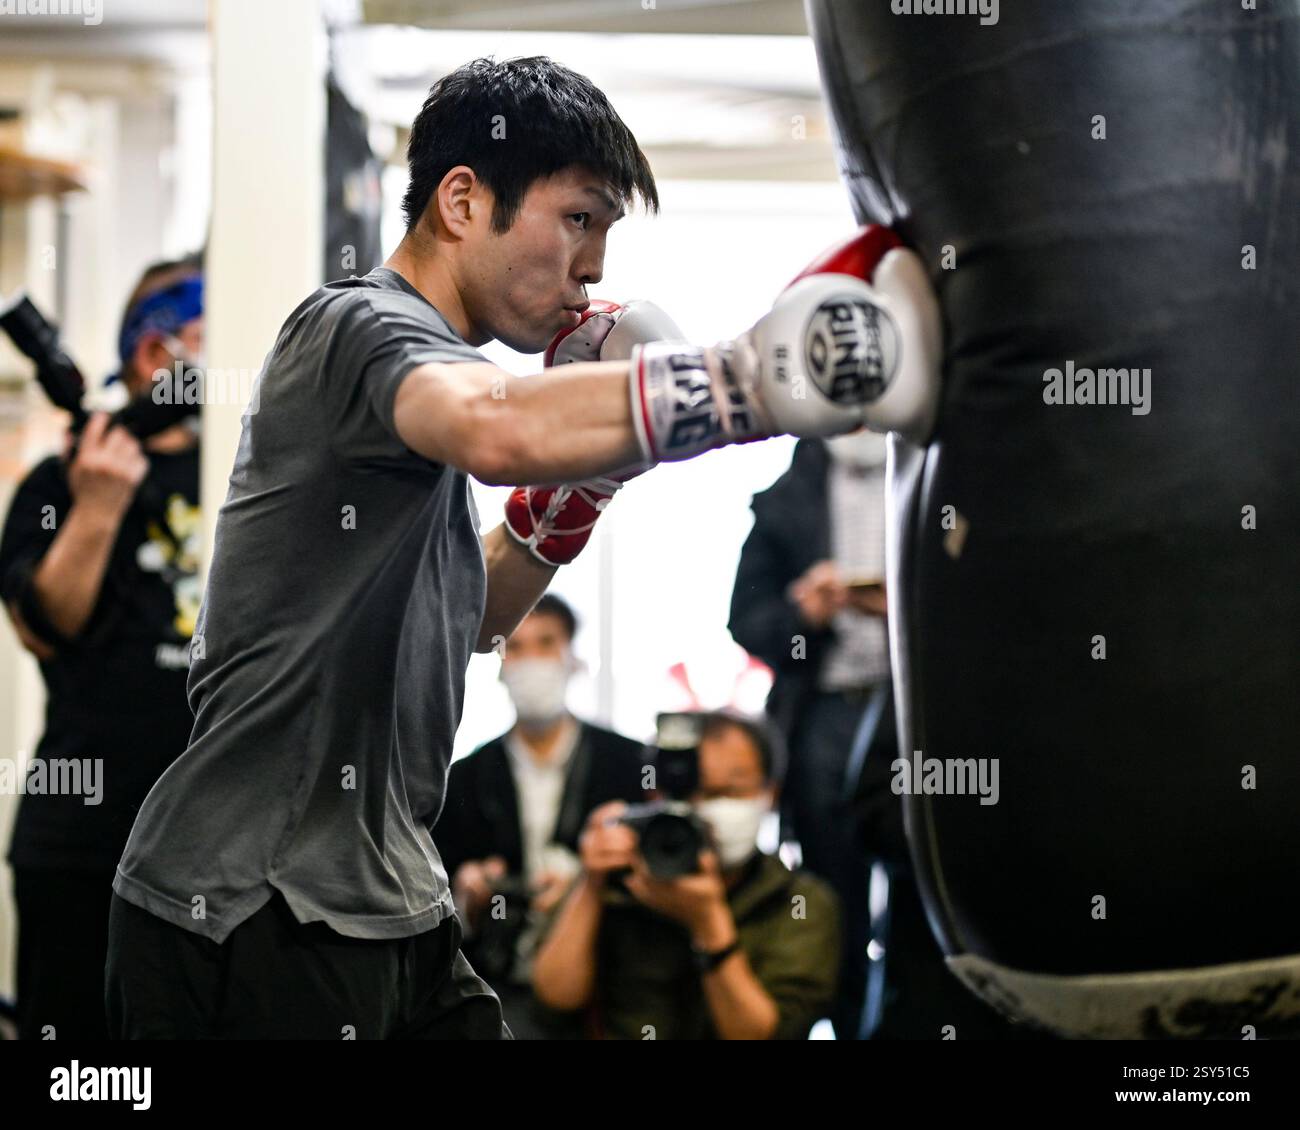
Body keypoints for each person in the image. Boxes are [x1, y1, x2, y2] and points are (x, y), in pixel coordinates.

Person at [104, 55, 936, 1040]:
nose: (592, 267)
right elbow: (493, 430)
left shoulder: (426, 387)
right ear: (462, 199)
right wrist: (748, 381)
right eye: (577, 218)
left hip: (385, 884)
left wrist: (579, 487)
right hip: (254, 893)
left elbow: (482, 610)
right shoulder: (360, 327)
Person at [0, 254, 204, 1040]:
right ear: (156, 354)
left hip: (212, 851)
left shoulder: (243, 476)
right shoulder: (62, 481)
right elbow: (45, 627)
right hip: (80, 840)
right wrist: (98, 507)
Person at [532, 709, 840, 1039]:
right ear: (657, 797)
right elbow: (555, 997)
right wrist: (591, 884)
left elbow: (767, 1034)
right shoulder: (622, 878)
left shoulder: (801, 904)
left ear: (770, 793)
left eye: (732, 792)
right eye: (697, 794)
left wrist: (709, 924)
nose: (710, 811)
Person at [728, 430, 890, 1038]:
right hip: (823, 714)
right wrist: (804, 613)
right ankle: (846, 1023)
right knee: (832, 893)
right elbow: (745, 621)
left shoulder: (940, 481)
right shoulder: (781, 501)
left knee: (927, 895)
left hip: (915, 716)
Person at [436, 593, 645, 1038]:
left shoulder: (630, 764)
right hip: (496, 983)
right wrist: (467, 892)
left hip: (611, 980)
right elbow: (437, 881)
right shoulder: (462, 780)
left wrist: (584, 885)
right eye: (516, 647)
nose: (531, 662)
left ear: (572, 657)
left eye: (546, 643)